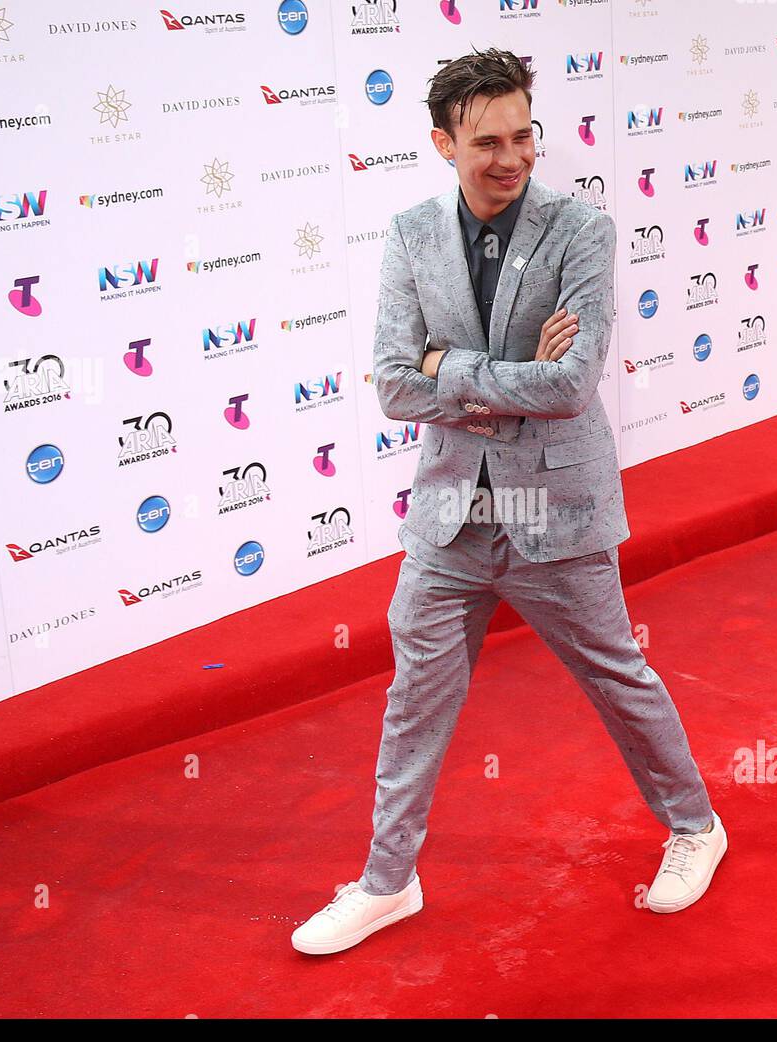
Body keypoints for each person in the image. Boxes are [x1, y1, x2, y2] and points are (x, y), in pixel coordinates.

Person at [292, 48, 726, 956]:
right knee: (414, 702)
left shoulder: (582, 230)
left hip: (554, 511)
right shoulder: (411, 234)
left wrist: (452, 366)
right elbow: (394, 391)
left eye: (523, 136)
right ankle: (387, 880)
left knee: (615, 676)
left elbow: (570, 385)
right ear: (443, 143)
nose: (511, 157)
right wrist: (487, 377)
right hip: (450, 513)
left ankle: (696, 827)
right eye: (487, 141)